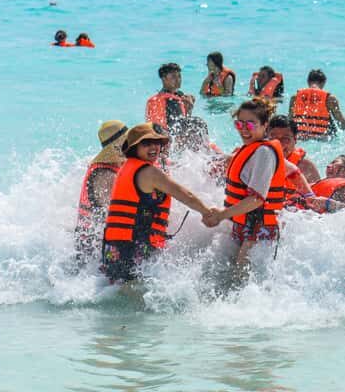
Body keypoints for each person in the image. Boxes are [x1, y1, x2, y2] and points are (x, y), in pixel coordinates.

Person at [101, 123, 221, 283]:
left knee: (117, 291)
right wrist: (206, 212)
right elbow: (185, 195)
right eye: (146, 143)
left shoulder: (126, 167)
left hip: (113, 246)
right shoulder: (149, 172)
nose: (153, 147)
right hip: (134, 246)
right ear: (134, 147)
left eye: (157, 142)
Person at [211, 98, 316, 276]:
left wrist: (221, 215)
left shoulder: (264, 152)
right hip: (244, 223)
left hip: (258, 227)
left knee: (240, 280)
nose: (244, 129)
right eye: (240, 124)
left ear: (264, 125)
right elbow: (292, 171)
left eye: (250, 124)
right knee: (234, 276)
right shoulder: (253, 148)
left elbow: (256, 199)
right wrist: (310, 196)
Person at [75, 121, 127, 267]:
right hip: (92, 245)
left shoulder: (112, 167)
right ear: (117, 147)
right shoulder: (105, 175)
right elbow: (113, 213)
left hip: (91, 239)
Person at [267, 115, 321, 205]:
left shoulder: (306, 167)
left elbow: (316, 202)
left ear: (295, 140)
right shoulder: (257, 162)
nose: (279, 144)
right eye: (274, 139)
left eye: (286, 139)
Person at [289, 69, 345, 140]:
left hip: (300, 137)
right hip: (323, 138)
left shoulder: (295, 97)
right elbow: (343, 126)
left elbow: (289, 120)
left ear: (308, 81)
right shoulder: (329, 99)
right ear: (324, 82)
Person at [146, 62, 195, 133]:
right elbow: (180, 129)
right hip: (167, 138)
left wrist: (189, 108)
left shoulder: (179, 95)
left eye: (179, 76)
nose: (178, 79)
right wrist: (189, 108)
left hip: (161, 136)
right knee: (198, 122)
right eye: (173, 77)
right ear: (163, 79)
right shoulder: (170, 100)